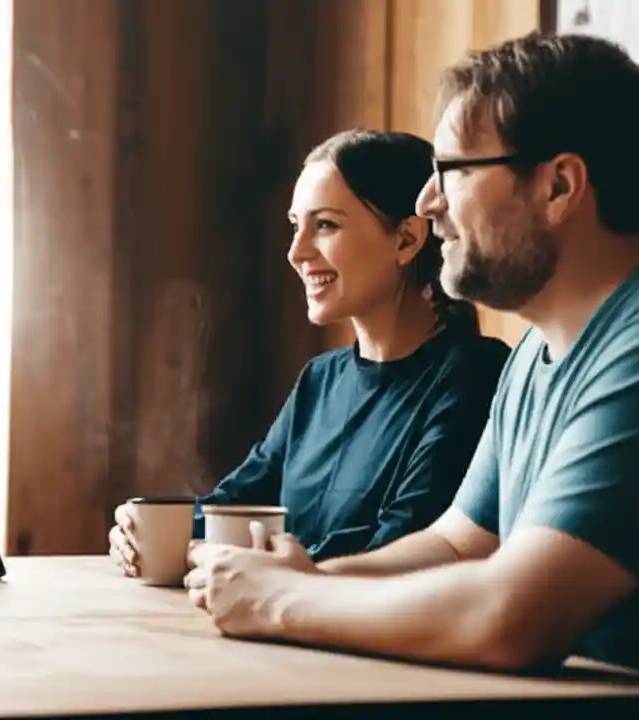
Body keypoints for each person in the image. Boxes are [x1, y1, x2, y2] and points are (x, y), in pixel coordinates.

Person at [186, 33, 639, 672]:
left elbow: (511, 617)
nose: (429, 203)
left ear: (559, 186)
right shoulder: (535, 353)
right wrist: (314, 576)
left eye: (453, 171)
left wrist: (283, 601)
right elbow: (457, 545)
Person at [110, 130, 509, 572]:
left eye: (326, 225)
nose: (296, 253)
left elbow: (403, 546)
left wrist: (229, 561)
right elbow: (233, 506)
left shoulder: (476, 375)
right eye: (295, 226)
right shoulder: (320, 380)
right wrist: (146, 529)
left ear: (406, 240)